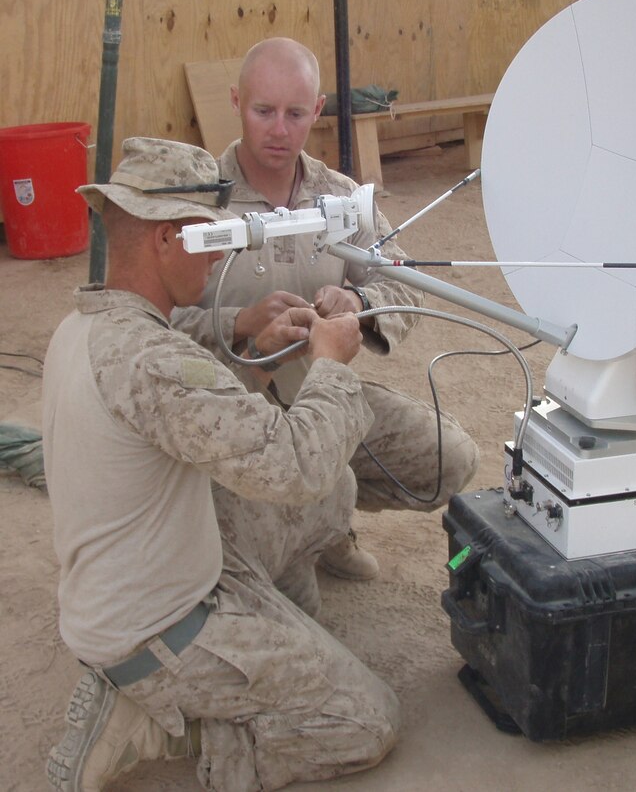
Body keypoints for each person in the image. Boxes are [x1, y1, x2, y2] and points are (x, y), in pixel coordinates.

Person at [43, 137, 400, 791]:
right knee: (365, 720)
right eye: (209, 239)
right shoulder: (153, 361)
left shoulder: (91, 326)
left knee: (334, 496)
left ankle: (272, 616)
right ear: (165, 239)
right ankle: (157, 725)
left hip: (148, 578)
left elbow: (184, 410)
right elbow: (296, 466)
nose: (219, 257)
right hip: (158, 629)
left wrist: (255, 349)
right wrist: (330, 365)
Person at [172, 36, 479, 583]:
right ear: (236, 102)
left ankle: (325, 525)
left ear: (317, 110)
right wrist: (240, 323)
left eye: (295, 114)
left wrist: (358, 302)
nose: (279, 129)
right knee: (272, 583)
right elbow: (150, 323)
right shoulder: (197, 203)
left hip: (324, 396)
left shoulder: (340, 198)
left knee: (448, 461)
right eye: (263, 111)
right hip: (232, 416)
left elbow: (405, 281)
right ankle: (294, 527)